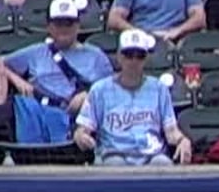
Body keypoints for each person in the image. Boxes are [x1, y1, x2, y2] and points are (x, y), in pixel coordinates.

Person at [73, 28, 194, 166]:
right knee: (115, 164)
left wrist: (182, 140)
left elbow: (171, 131)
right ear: (119, 56)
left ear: (146, 58)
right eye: (128, 54)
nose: (134, 60)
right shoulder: (99, 90)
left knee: (163, 164)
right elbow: (83, 129)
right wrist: (81, 136)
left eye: (140, 55)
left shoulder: (159, 89)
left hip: (152, 154)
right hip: (113, 153)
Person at [3, 0, 114, 114]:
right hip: (43, 113)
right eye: (58, 23)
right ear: (49, 26)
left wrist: (88, 95)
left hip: (84, 114)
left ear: (78, 25)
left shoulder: (96, 55)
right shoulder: (36, 52)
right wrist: (19, 81)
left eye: (69, 23)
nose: (64, 28)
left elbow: (110, 90)